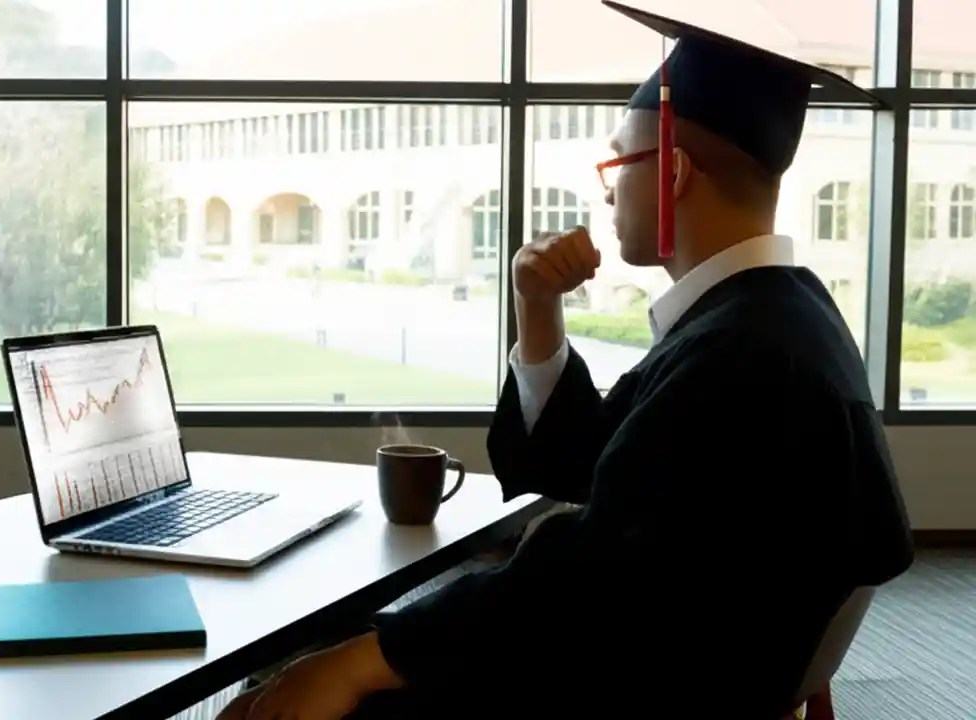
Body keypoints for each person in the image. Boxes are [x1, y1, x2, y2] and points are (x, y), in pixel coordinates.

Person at [218, 2, 914, 717]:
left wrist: (365, 661)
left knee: (301, 670)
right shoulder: (777, 319)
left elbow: (584, 584)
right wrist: (538, 308)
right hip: (667, 656)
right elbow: (585, 474)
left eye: (619, 162)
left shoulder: (745, 358)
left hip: (634, 683)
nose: (608, 188)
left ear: (672, 171)